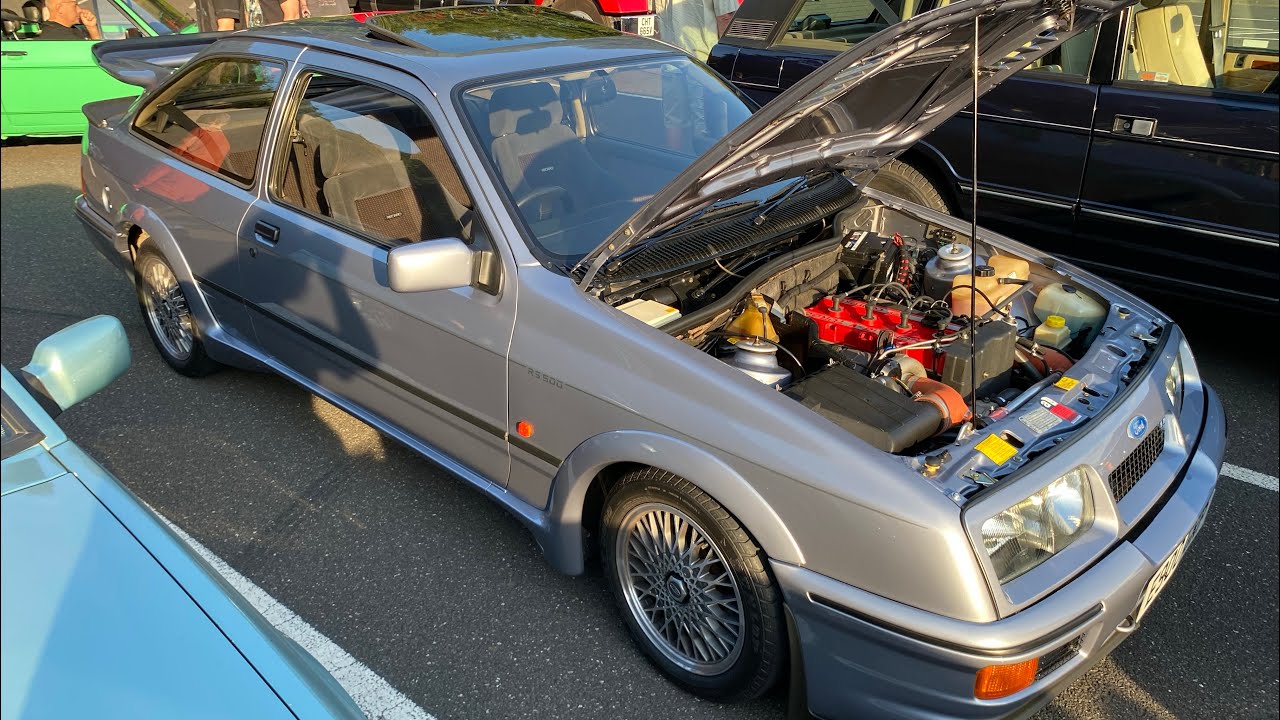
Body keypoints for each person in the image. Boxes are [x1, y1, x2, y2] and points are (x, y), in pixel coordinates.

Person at [24, 0, 99, 39]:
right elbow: (97, 57)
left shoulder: (52, 29)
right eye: (75, 5)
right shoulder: (64, 37)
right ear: (59, 9)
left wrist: (91, 27)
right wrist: (93, 31)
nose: (80, 10)